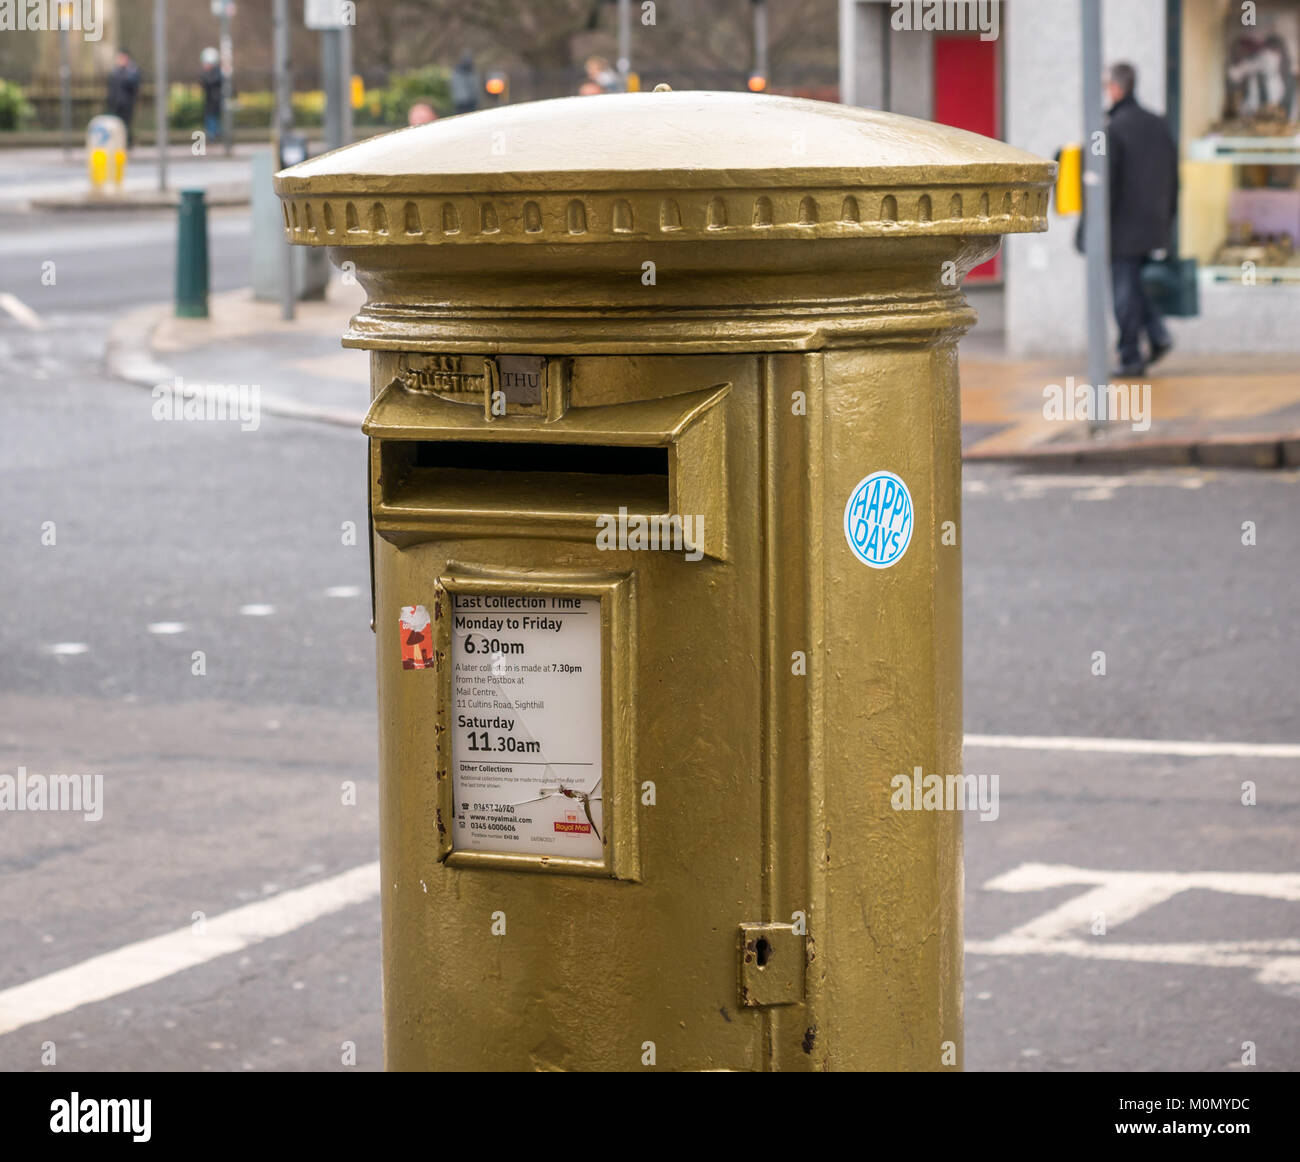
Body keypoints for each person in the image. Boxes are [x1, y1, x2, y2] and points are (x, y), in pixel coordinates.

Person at [1104, 62, 1178, 376]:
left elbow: (1108, 182)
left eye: (1108, 86)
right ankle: (1158, 336)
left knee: (1125, 293)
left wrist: (1097, 226)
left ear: (1117, 89)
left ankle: (1130, 357)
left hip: (1123, 229)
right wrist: (1169, 217)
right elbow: (1174, 176)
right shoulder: (1158, 123)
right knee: (1137, 288)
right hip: (1154, 225)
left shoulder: (1114, 127)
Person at [106, 48, 142, 148]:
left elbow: (133, 85)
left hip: (127, 104)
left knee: (126, 125)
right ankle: (120, 144)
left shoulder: (132, 70)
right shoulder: (115, 71)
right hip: (116, 103)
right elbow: (112, 87)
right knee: (117, 125)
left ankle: (129, 144)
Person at [199, 47, 224, 146]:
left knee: (212, 118)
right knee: (210, 118)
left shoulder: (216, 72)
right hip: (210, 100)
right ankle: (213, 134)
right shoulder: (210, 72)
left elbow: (212, 82)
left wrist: (205, 78)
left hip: (215, 100)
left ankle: (214, 134)